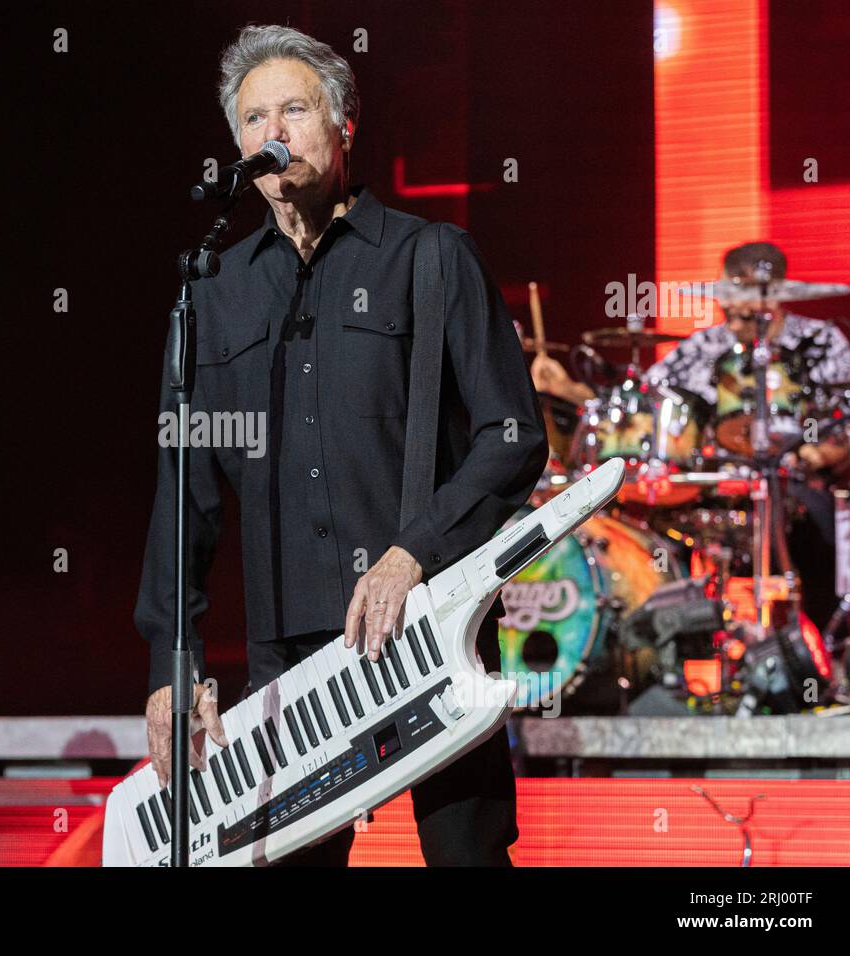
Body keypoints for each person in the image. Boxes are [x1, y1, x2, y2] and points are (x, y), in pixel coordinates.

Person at [134, 25, 547, 866]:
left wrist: (411, 555)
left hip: (431, 621)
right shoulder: (213, 296)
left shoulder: (431, 258)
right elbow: (188, 495)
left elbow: (514, 436)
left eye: (294, 107)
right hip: (288, 663)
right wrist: (172, 661)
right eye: (253, 118)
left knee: (467, 858)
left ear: (344, 124)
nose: (271, 131)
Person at [643, 241, 850, 633]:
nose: (727, 304)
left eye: (734, 291)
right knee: (660, 529)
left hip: (798, 483)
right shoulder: (704, 346)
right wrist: (572, 392)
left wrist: (814, 454)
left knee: (818, 526)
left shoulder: (821, 342)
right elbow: (648, 402)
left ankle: (820, 653)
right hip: (720, 483)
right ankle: (682, 642)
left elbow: (849, 430)